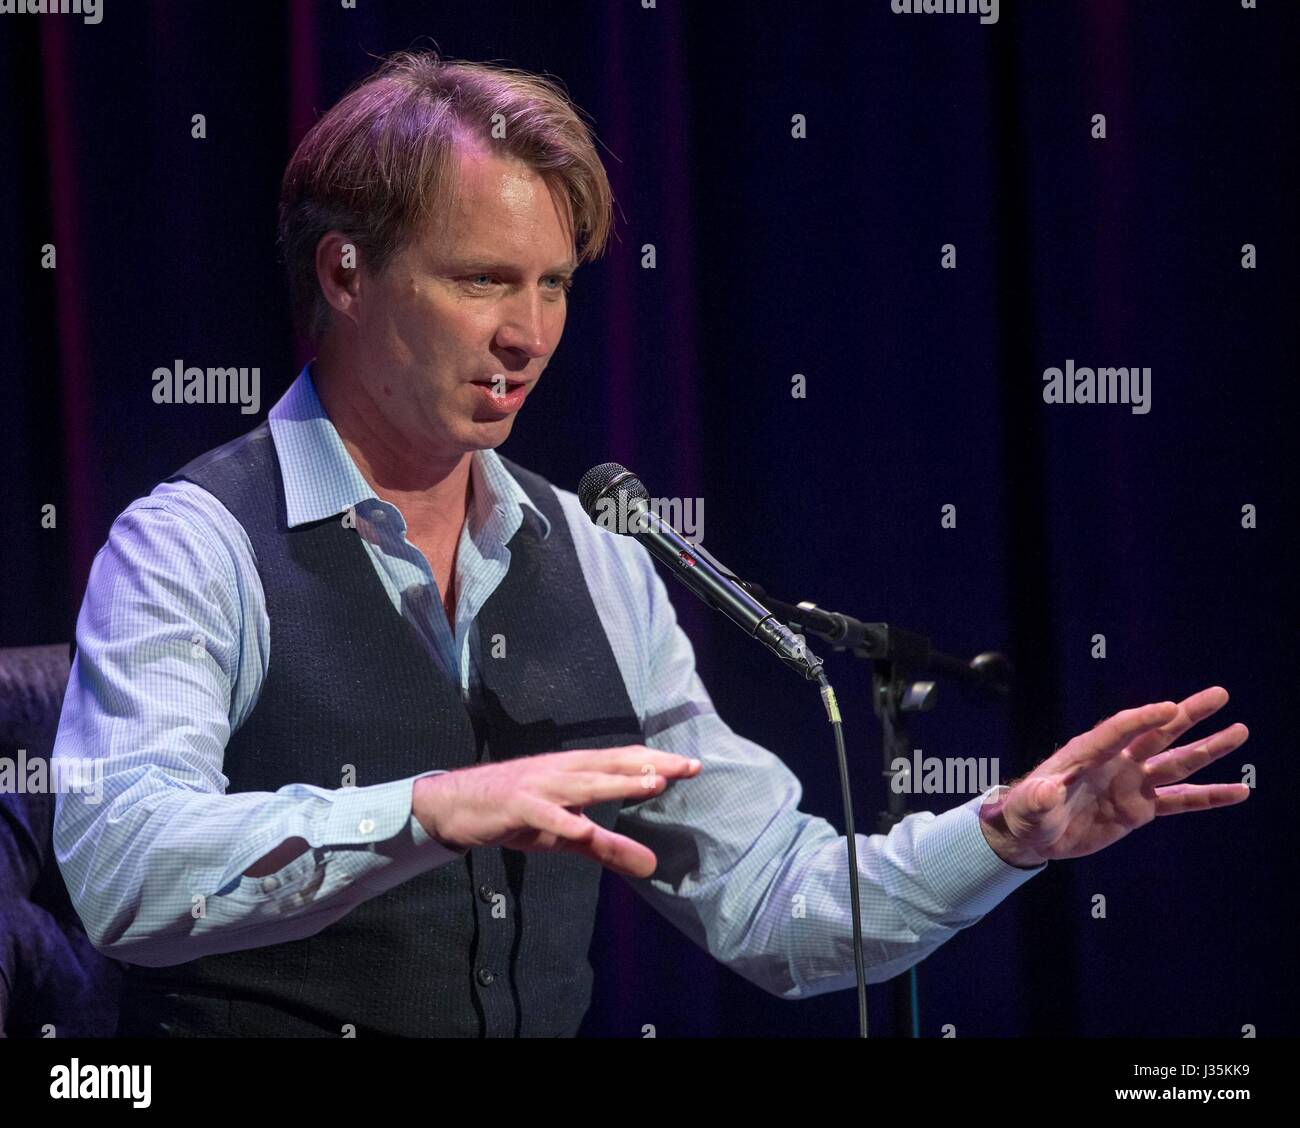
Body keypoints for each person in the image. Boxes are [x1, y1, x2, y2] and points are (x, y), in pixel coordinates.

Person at [51, 51, 1250, 1038]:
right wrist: (427, 808)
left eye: (555, 286)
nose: (527, 334)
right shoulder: (190, 544)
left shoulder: (592, 549)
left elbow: (768, 903)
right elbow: (124, 867)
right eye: (480, 280)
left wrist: (1004, 837)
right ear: (345, 272)